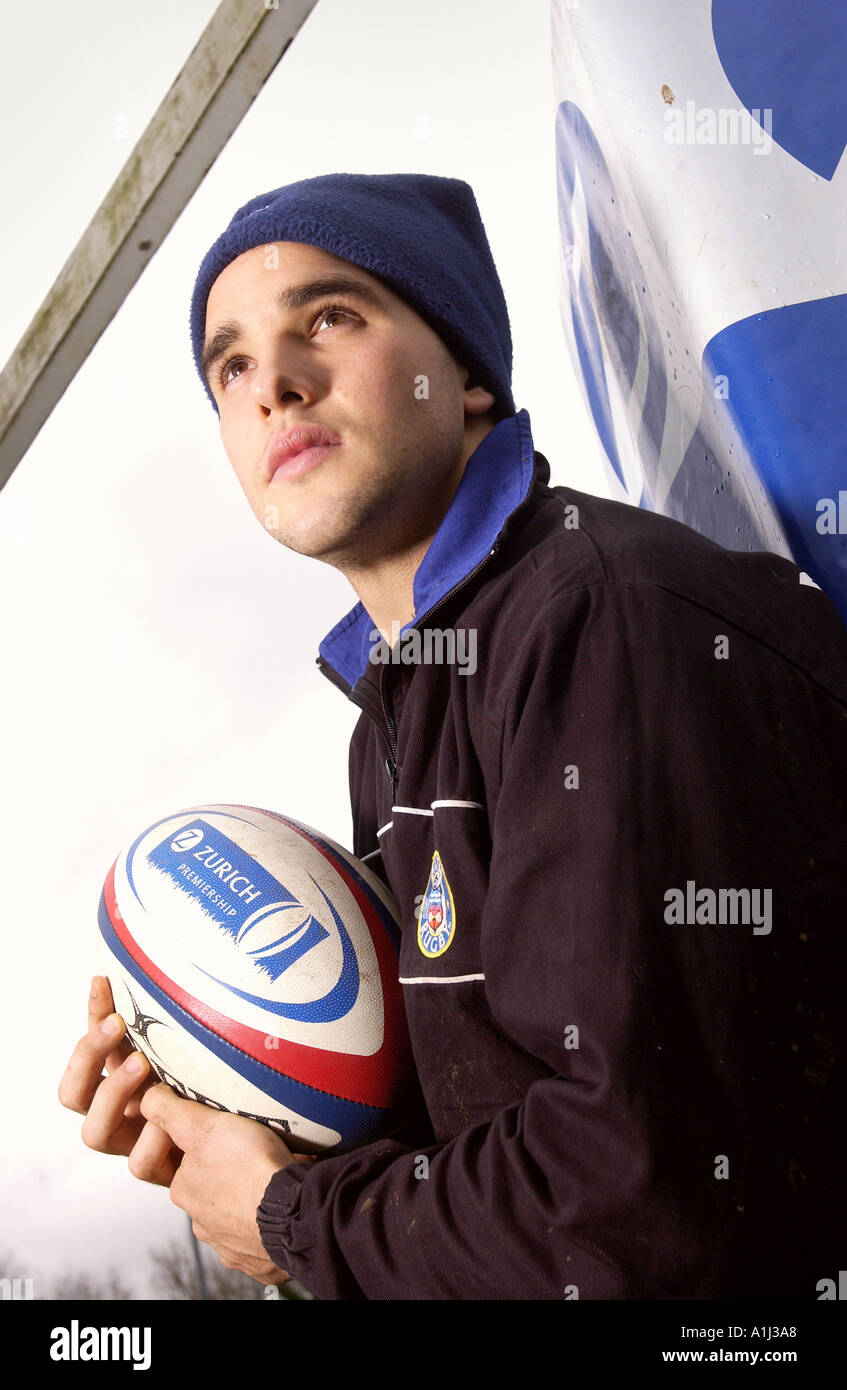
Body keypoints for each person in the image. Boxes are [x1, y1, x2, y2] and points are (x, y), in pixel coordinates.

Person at [59, 173, 847, 1300]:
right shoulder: (400, 712)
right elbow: (501, 1128)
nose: (273, 384)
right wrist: (244, 1113)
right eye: (229, 365)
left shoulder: (599, 617)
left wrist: (293, 1217)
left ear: (468, 375)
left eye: (328, 317)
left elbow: (640, 1201)